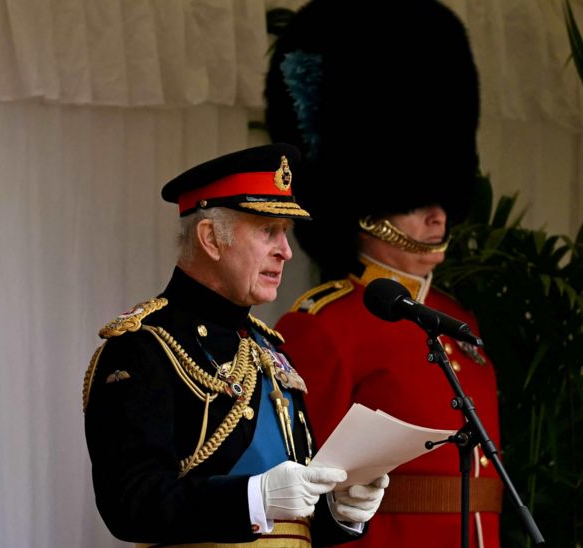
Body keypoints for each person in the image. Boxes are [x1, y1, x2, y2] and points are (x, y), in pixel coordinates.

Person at [265, 1, 502, 546]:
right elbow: (305, 485)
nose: (437, 215)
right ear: (365, 209)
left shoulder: (458, 319)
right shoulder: (323, 326)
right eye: (414, 200)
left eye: (440, 197)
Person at [82, 144, 388, 547]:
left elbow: (293, 521)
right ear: (210, 238)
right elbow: (131, 504)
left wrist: (336, 509)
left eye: (286, 233)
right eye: (267, 231)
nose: (286, 251)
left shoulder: (269, 347)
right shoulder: (142, 347)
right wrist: (253, 497)